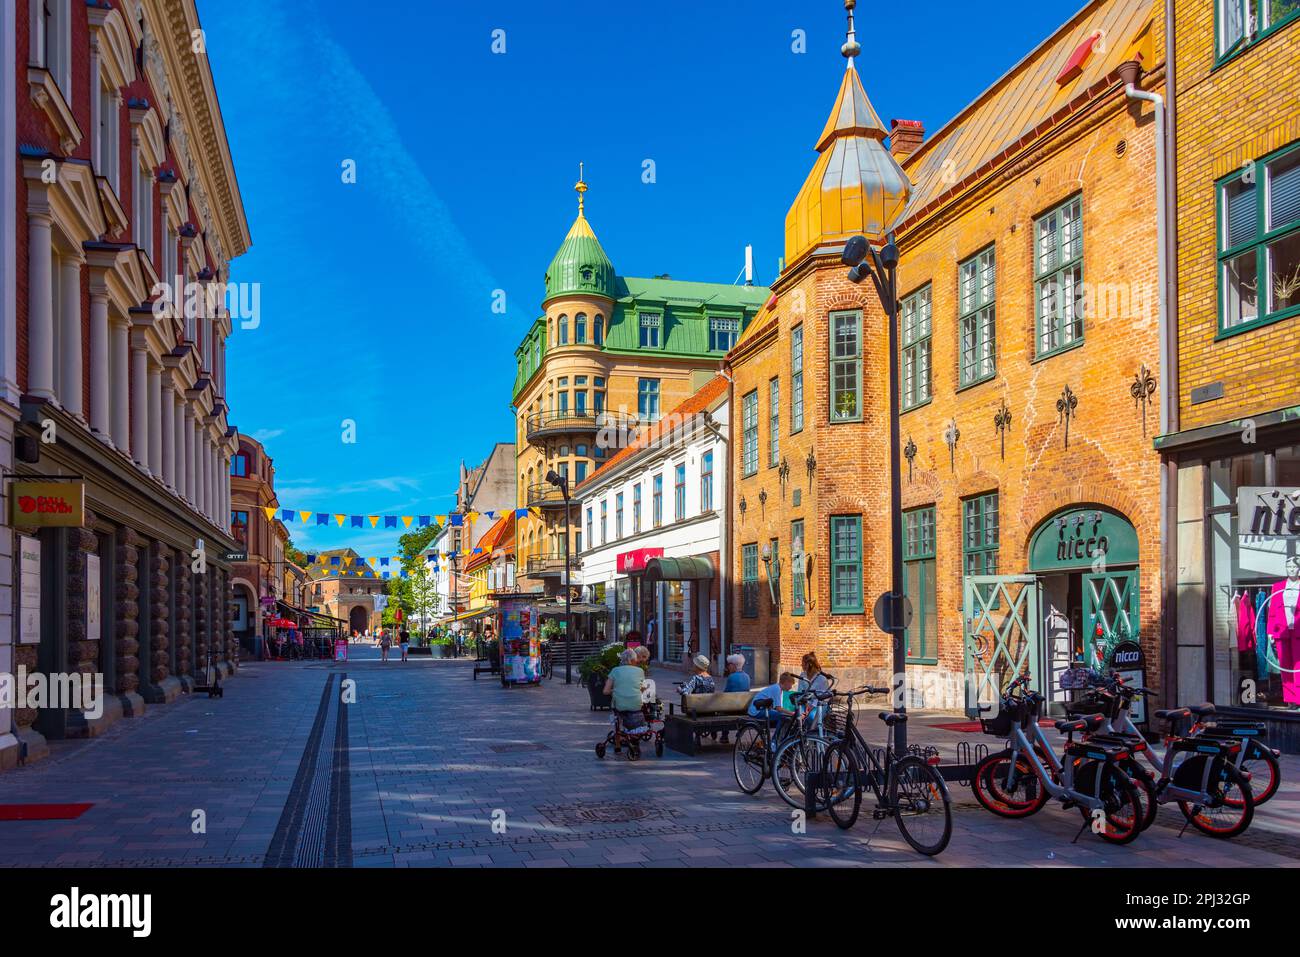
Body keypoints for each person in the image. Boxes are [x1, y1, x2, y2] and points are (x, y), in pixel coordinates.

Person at [603, 649, 648, 732]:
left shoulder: (615, 670)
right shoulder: (640, 671)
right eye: (635, 659)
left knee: (617, 708)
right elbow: (643, 689)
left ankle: (618, 737)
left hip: (619, 705)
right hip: (636, 705)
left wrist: (614, 690)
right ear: (632, 660)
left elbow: (605, 691)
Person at [799, 652, 831, 730]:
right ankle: (801, 735)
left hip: (819, 704)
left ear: (809, 665)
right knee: (798, 716)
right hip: (805, 703)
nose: (801, 665)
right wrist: (806, 704)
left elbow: (825, 697)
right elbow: (800, 691)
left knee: (811, 717)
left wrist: (811, 706)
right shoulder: (802, 675)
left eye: (803, 663)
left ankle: (813, 732)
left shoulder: (821, 678)